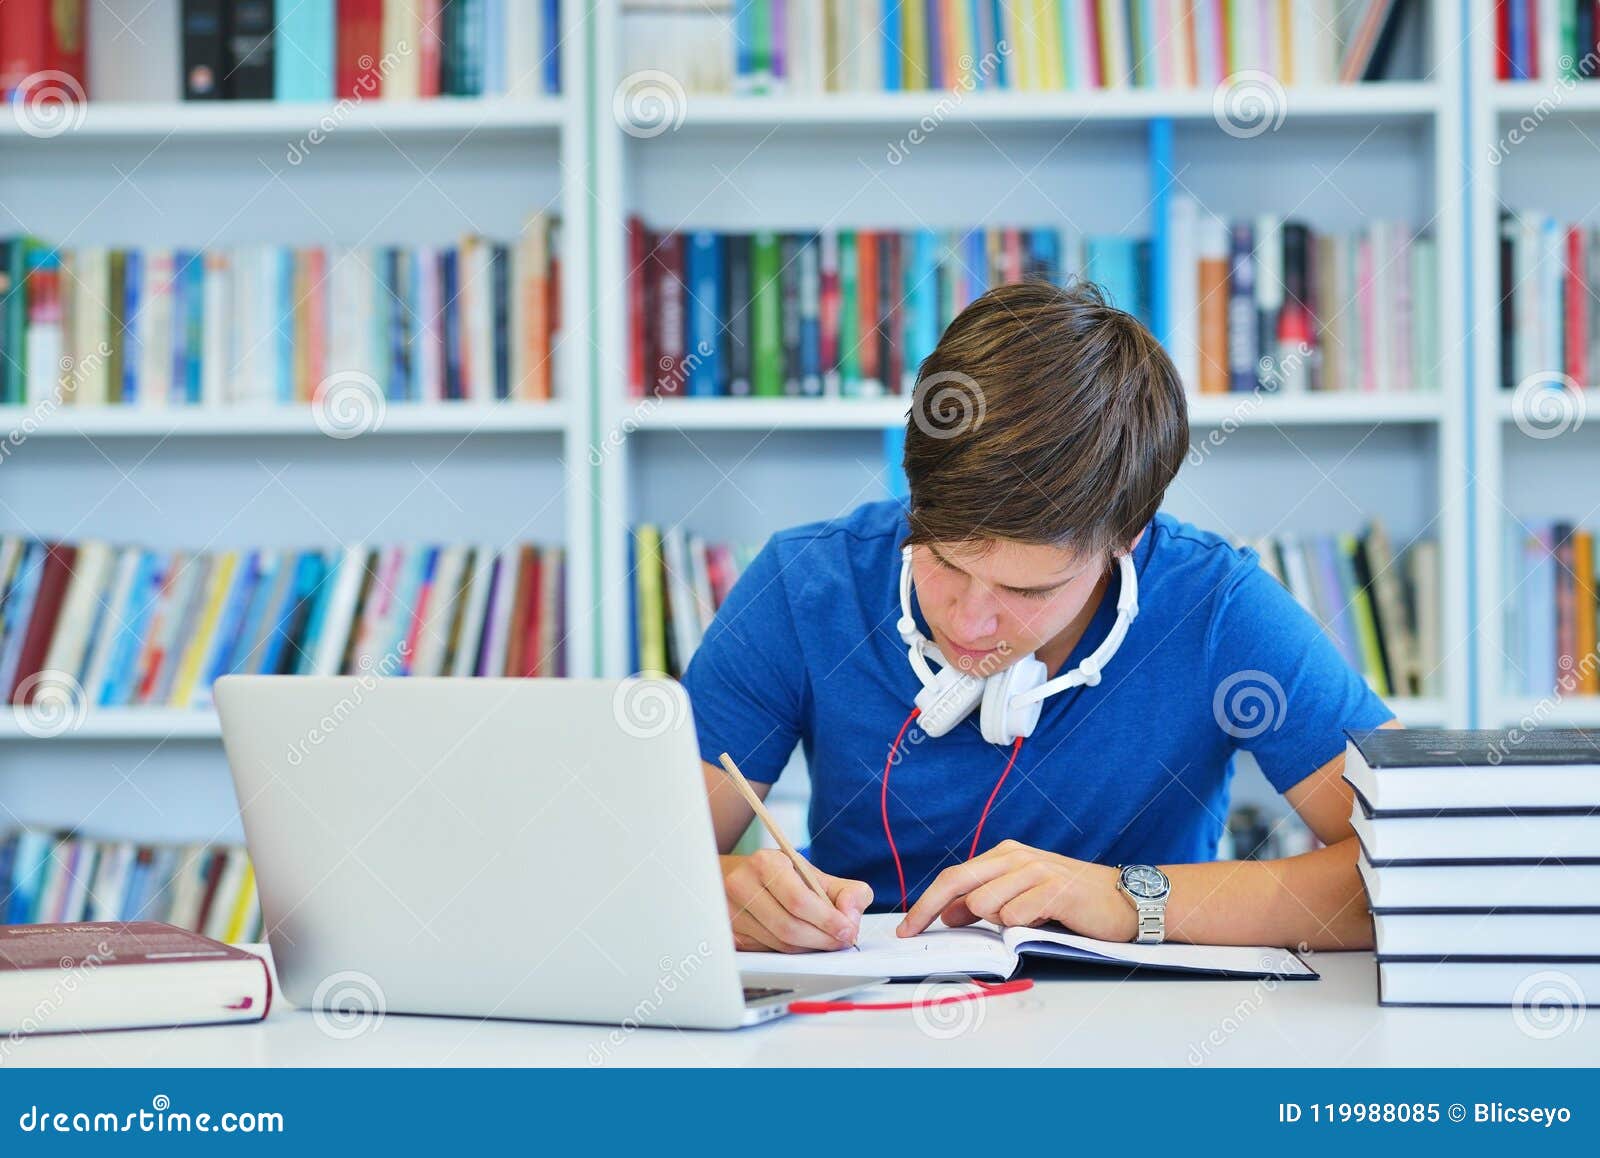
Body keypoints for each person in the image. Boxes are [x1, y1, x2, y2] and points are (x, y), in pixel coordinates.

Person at [681, 279, 1396, 954]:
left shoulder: (1216, 609)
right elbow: (627, 867)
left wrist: (1129, 899)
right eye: (944, 561)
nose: (967, 622)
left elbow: (1424, 866)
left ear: (1127, 539)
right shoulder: (804, 586)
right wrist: (722, 890)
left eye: (1026, 593)